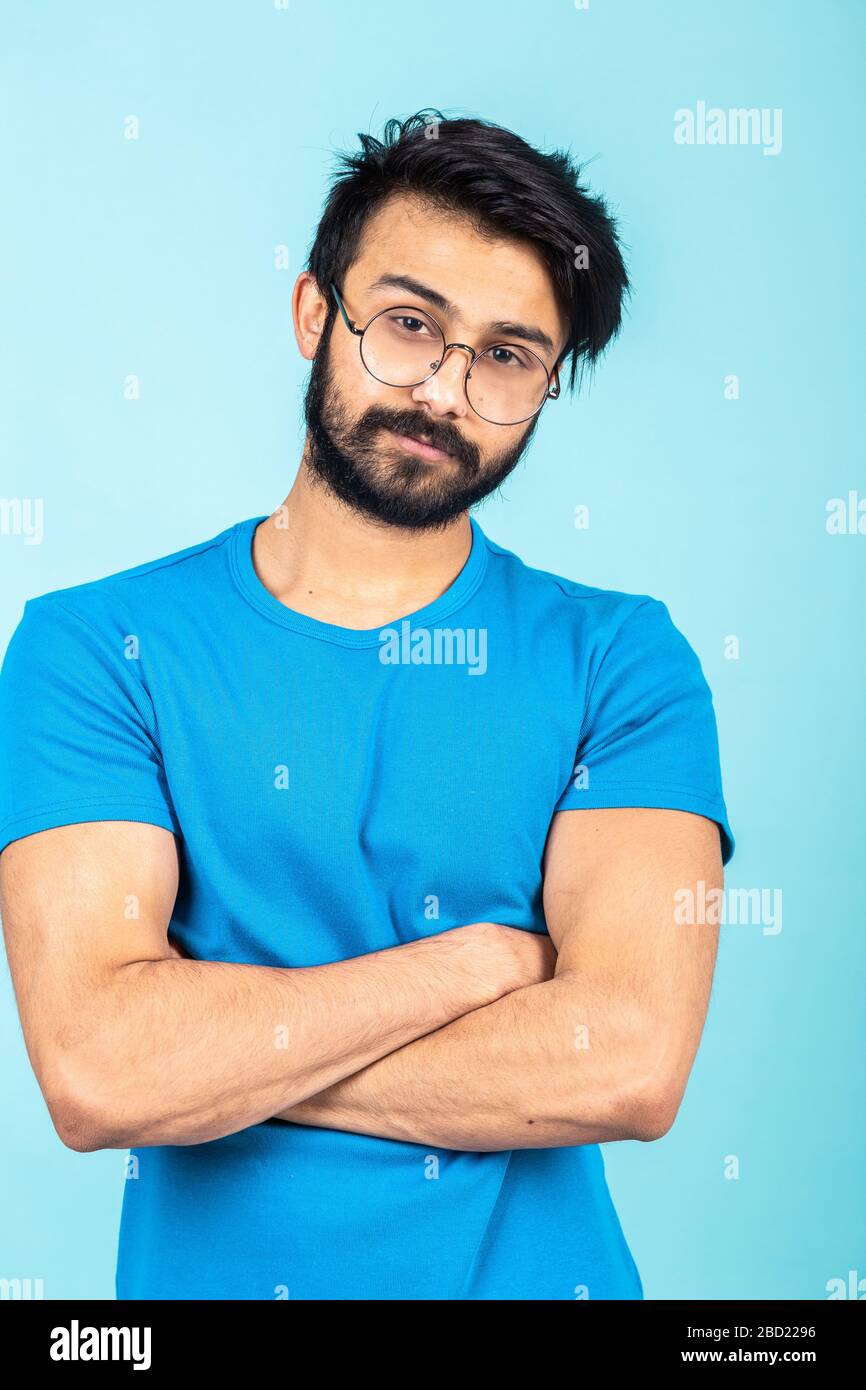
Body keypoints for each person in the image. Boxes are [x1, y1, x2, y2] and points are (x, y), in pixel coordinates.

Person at [0, 110, 734, 1300]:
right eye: (407, 324)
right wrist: (482, 966)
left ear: (546, 388)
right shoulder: (97, 648)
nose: (442, 388)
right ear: (312, 315)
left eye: (505, 355)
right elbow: (95, 1069)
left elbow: (626, 1063)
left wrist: (224, 1063)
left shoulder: (619, 658)